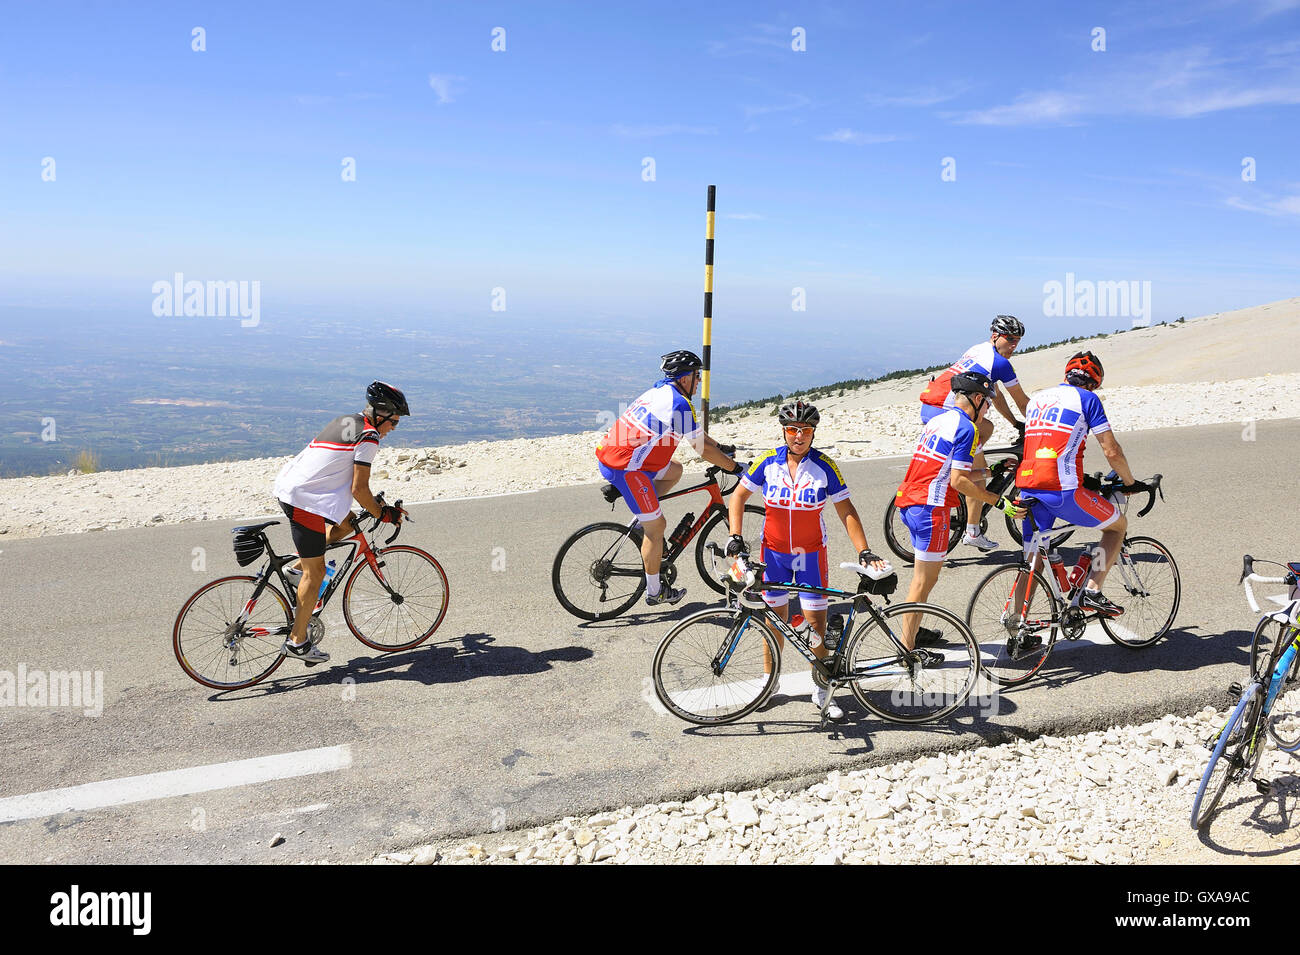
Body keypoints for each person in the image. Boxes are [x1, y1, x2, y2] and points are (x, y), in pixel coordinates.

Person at [726, 400, 889, 721]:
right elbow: (738, 497)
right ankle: (769, 681)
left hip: (810, 556)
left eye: (806, 430)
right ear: (784, 431)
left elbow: (847, 510)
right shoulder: (766, 463)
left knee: (816, 624)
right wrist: (735, 535)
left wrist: (864, 550)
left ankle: (822, 686)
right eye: (792, 430)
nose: (798, 436)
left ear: (814, 433)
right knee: (775, 621)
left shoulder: (825, 466)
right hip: (773, 554)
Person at [273, 381, 408, 664]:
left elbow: (337, 468)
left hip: (295, 489)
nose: (394, 428)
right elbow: (359, 489)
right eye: (394, 421)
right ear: (381, 413)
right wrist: (383, 514)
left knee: (347, 525)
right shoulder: (369, 437)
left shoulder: (346, 420)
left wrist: (372, 507)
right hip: (305, 500)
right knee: (318, 571)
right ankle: (297, 641)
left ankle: (296, 570)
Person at [596, 350, 744, 606]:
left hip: (615, 456)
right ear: (685, 377)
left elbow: (697, 436)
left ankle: (641, 520)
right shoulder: (679, 404)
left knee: (675, 469)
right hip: (628, 468)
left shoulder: (661, 391)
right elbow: (701, 449)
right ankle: (655, 592)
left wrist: (721, 447)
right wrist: (733, 468)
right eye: (697, 376)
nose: (699, 381)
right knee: (658, 528)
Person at [897, 372, 1026, 648]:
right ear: (978, 399)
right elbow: (958, 481)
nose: (989, 409)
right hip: (931, 509)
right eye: (988, 403)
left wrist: (992, 470)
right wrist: (998, 501)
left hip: (910, 502)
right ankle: (906, 649)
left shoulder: (938, 421)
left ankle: (912, 633)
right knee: (922, 583)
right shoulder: (967, 428)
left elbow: (948, 470)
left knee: (921, 581)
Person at [1016, 351, 1138, 616]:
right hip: (1062, 489)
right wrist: (1130, 482)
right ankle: (1092, 591)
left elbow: (1049, 444)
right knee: (1117, 527)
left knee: (1032, 560)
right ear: (1093, 383)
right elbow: (1111, 451)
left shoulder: (1037, 399)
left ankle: (1017, 622)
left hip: (1026, 486)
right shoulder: (1088, 399)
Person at [919, 315, 1030, 551]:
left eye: (1017, 341)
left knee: (987, 427)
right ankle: (972, 530)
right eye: (1009, 339)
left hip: (933, 406)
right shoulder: (1000, 363)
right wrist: (1039, 424)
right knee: (975, 472)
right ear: (995, 336)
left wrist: (1014, 423)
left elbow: (995, 396)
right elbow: (1022, 402)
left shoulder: (979, 351)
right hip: (948, 411)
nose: (1013, 345)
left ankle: (958, 474)